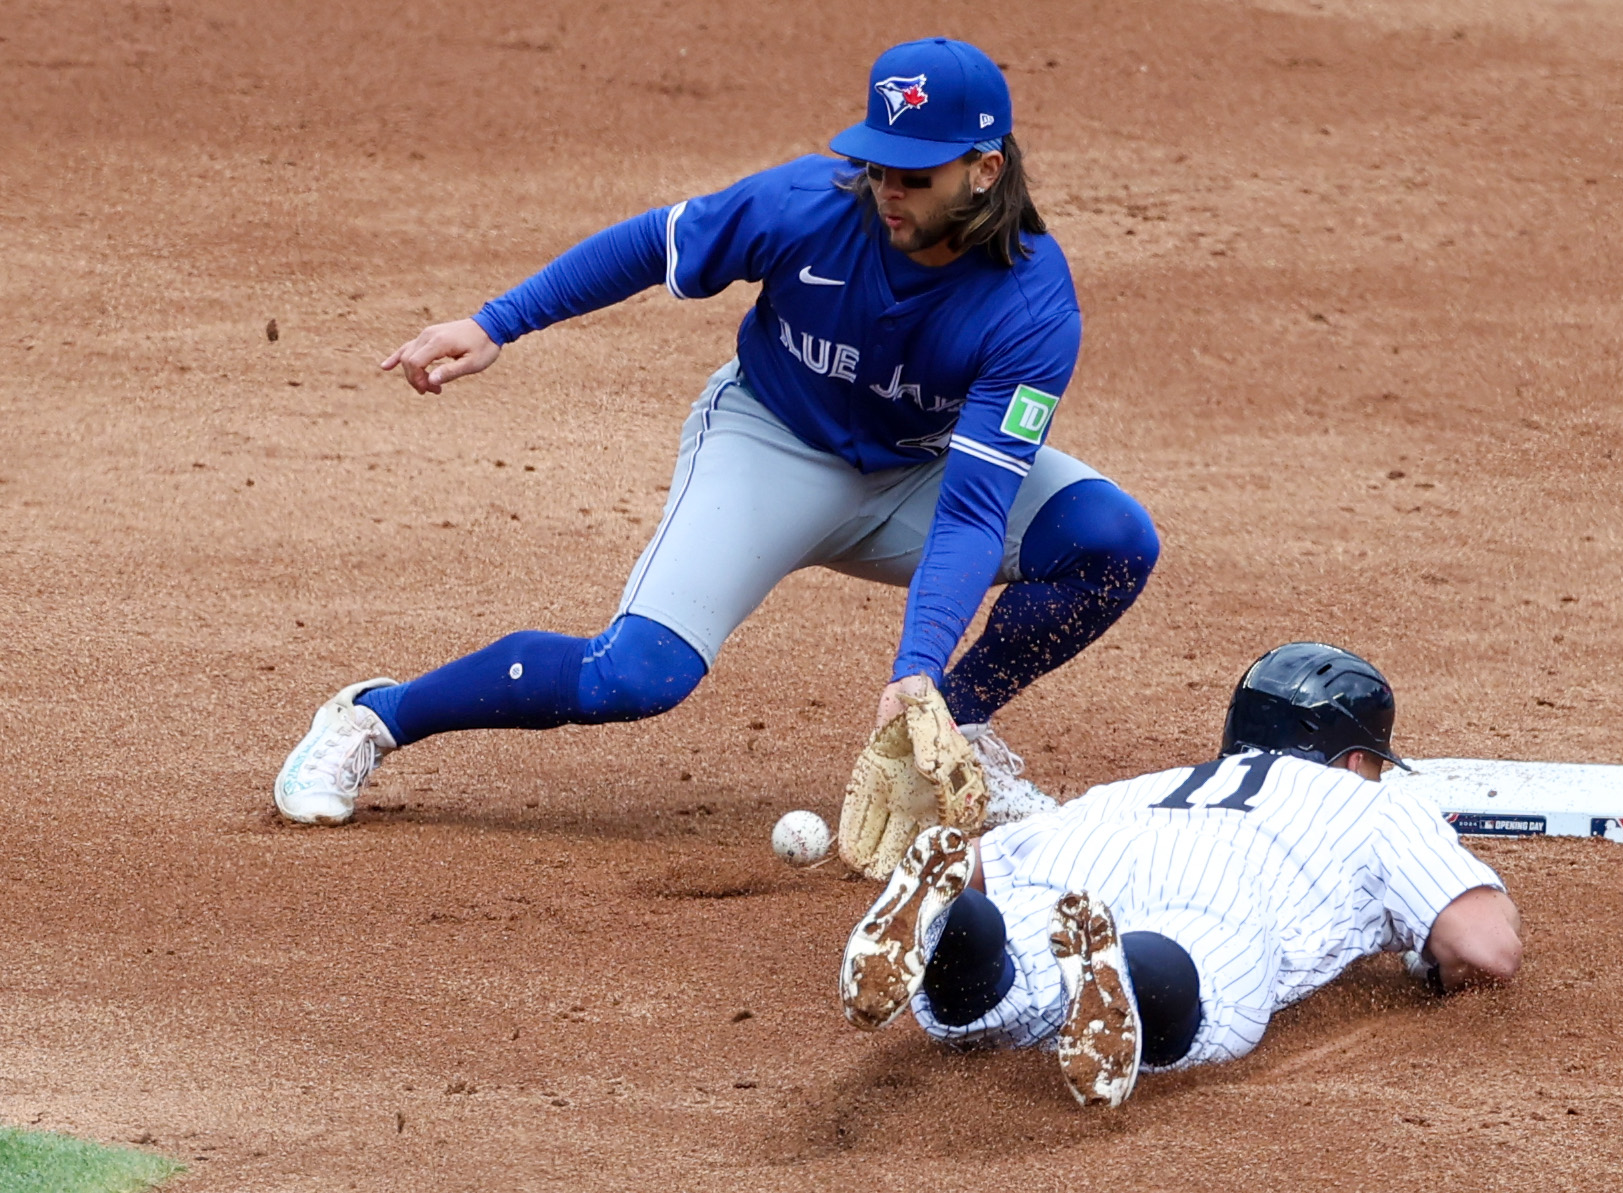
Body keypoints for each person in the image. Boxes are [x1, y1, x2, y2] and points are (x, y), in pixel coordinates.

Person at [273, 38, 1159, 825]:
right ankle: (373, 715)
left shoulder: (1032, 306)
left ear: (985, 170)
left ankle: (949, 736)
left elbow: (973, 510)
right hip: (769, 443)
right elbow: (647, 247)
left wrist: (920, 673)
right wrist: (496, 322)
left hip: (922, 474)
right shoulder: (808, 206)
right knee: (632, 677)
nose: (887, 192)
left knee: (1111, 541)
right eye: (879, 165)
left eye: (915, 177)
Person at [838, 642, 1523, 1108]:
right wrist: (1434, 964)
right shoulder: (1372, 802)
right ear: (1351, 760)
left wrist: (959, 883)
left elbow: (982, 863)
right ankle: (1126, 973)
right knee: (1204, 972)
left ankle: (958, 931)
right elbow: (1485, 946)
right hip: (1223, 886)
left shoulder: (1146, 786)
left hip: (1098, 848)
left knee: (1002, 980)